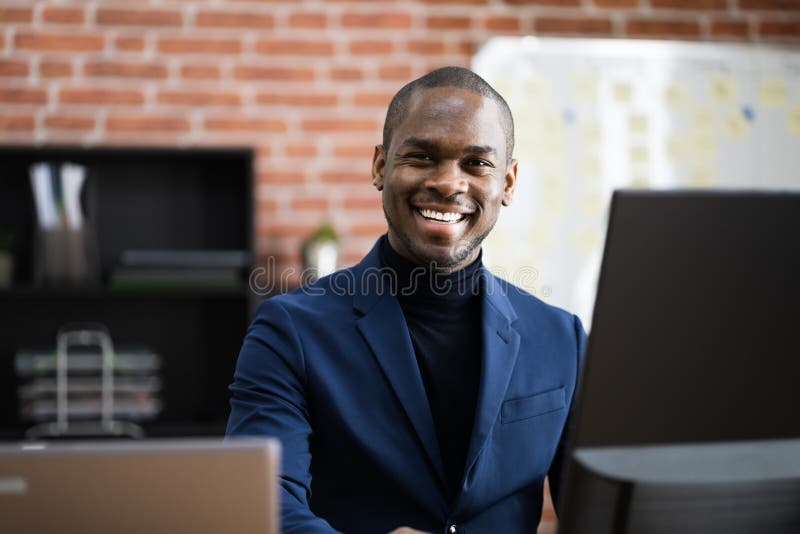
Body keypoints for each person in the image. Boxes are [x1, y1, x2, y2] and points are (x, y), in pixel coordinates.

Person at [226, 66, 586, 534]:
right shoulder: (289, 331)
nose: (448, 183)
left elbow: (600, 509)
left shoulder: (562, 338)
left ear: (509, 183)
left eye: (476, 164)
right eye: (421, 157)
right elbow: (261, 506)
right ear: (380, 167)